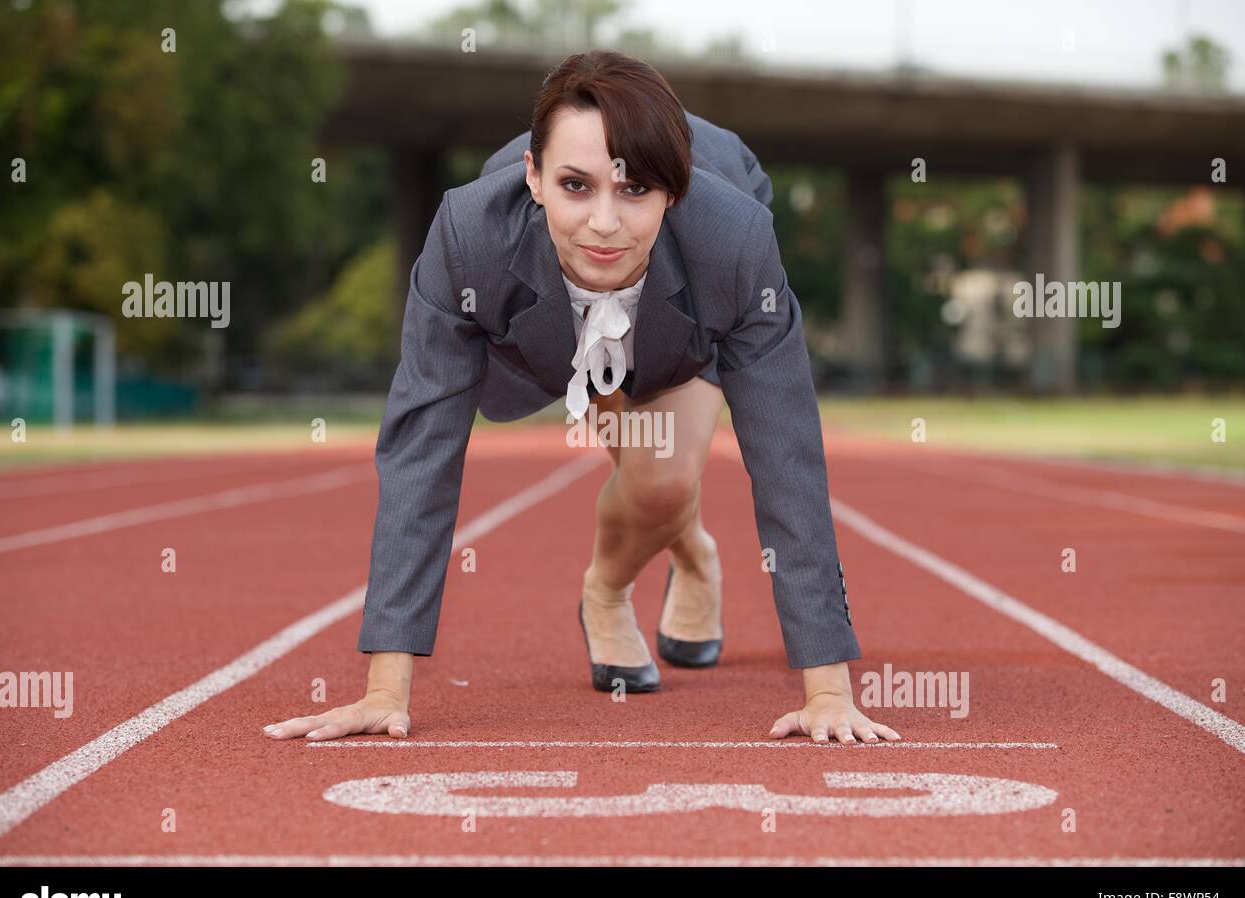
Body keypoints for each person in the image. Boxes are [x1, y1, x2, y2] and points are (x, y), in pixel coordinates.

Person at [263, 49, 900, 746]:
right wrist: (385, 688)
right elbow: (422, 449)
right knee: (648, 475)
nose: (603, 224)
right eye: (575, 186)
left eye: (634, 190)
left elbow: (788, 454)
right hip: (551, 309)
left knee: (659, 476)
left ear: (674, 191)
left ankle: (610, 586)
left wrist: (829, 691)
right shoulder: (468, 238)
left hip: (680, 302)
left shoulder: (736, 245)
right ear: (533, 177)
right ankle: (685, 555)